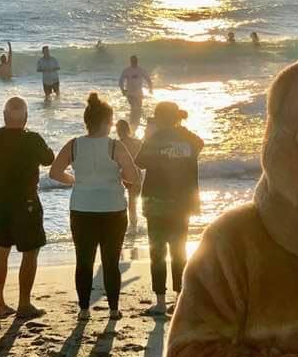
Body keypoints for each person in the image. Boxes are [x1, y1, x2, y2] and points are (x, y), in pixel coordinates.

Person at [50, 93, 140, 321]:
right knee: (111, 262)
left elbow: (54, 172)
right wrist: (119, 175)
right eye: (110, 122)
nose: (111, 125)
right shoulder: (114, 146)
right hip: (113, 209)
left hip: (81, 208)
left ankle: (83, 309)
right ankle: (113, 309)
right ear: (104, 122)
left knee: (84, 260)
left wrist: (75, 181)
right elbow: (133, 176)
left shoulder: (74, 144)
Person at [0, 97, 54, 319]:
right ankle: (24, 303)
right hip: (26, 202)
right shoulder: (32, 139)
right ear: (25, 118)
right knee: (30, 252)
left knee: (1, 251)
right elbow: (49, 159)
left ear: (4, 117)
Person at [135, 102, 203, 316]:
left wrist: (151, 136)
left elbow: (140, 161)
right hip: (182, 203)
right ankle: (180, 299)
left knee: (157, 252)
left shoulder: (155, 139)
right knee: (179, 251)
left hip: (156, 203)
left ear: (159, 118)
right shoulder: (189, 139)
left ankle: (161, 302)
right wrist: (180, 128)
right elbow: (200, 144)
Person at [115, 119, 142, 234]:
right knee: (133, 203)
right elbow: (142, 160)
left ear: (118, 130)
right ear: (128, 129)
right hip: (136, 174)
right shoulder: (137, 143)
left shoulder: (116, 144)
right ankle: (133, 228)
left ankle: (121, 227)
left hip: (120, 174)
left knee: (118, 202)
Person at [119, 55, 153, 128]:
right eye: (133, 61)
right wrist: (123, 90)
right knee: (134, 107)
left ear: (137, 61)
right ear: (130, 61)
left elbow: (148, 79)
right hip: (130, 93)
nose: (134, 62)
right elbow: (121, 81)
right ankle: (132, 123)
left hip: (139, 93)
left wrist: (150, 88)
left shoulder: (141, 70)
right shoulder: (127, 70)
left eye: (135, 61)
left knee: (138, 109)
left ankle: (135, 124)